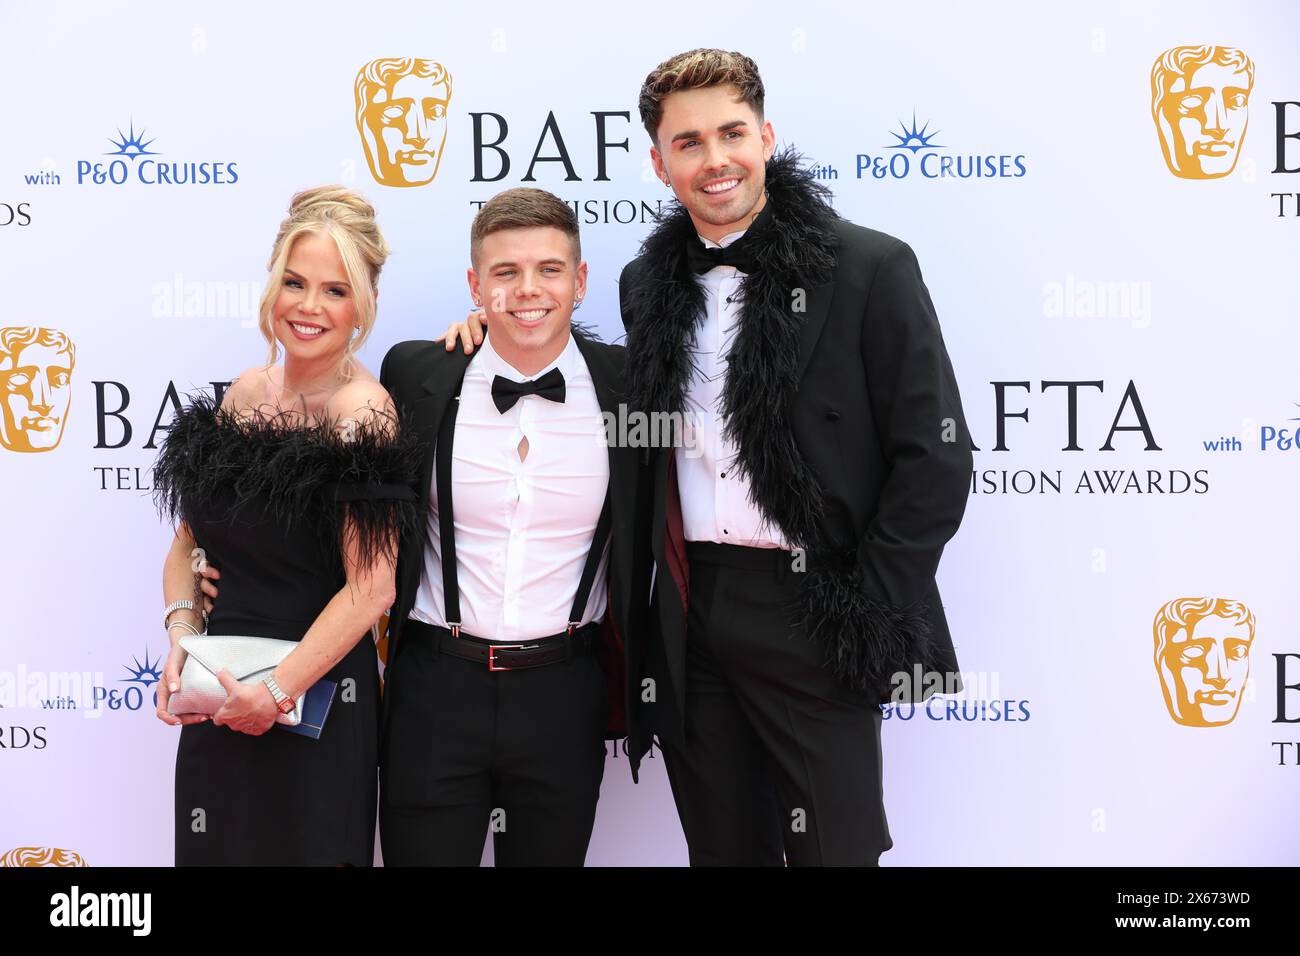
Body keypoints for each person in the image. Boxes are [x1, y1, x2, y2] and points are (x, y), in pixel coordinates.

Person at [445, 48, 973, 866]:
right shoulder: (642, 283)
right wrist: (490, 333)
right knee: (724, 851)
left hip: (821, 606)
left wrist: (862, 607)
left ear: (766, 136)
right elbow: (585, 375)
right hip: (693, 613)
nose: (714, 158)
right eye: (688, 142)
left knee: (838, 850)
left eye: (731, 133)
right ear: (660, 163)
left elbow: (934, 460)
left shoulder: (871, 268)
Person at [378, 187, 651, 866]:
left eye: (549, 270)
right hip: (434, 692)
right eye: (505, 273)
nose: (528, 290)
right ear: (476, 285)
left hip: (565, 693)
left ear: (580, 280)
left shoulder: (631, 389)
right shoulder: (415, 374)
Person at [152, 185, 421, 866]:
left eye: (335, 290)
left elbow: (372, 589)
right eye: (295, 282)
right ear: (272, 285)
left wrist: (274, 694)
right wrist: (183, 632)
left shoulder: (363, 411)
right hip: (221, 692)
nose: (308, 306)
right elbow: (188, 541)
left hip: (318, 706)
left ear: (364, 304)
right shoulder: (246, 392)